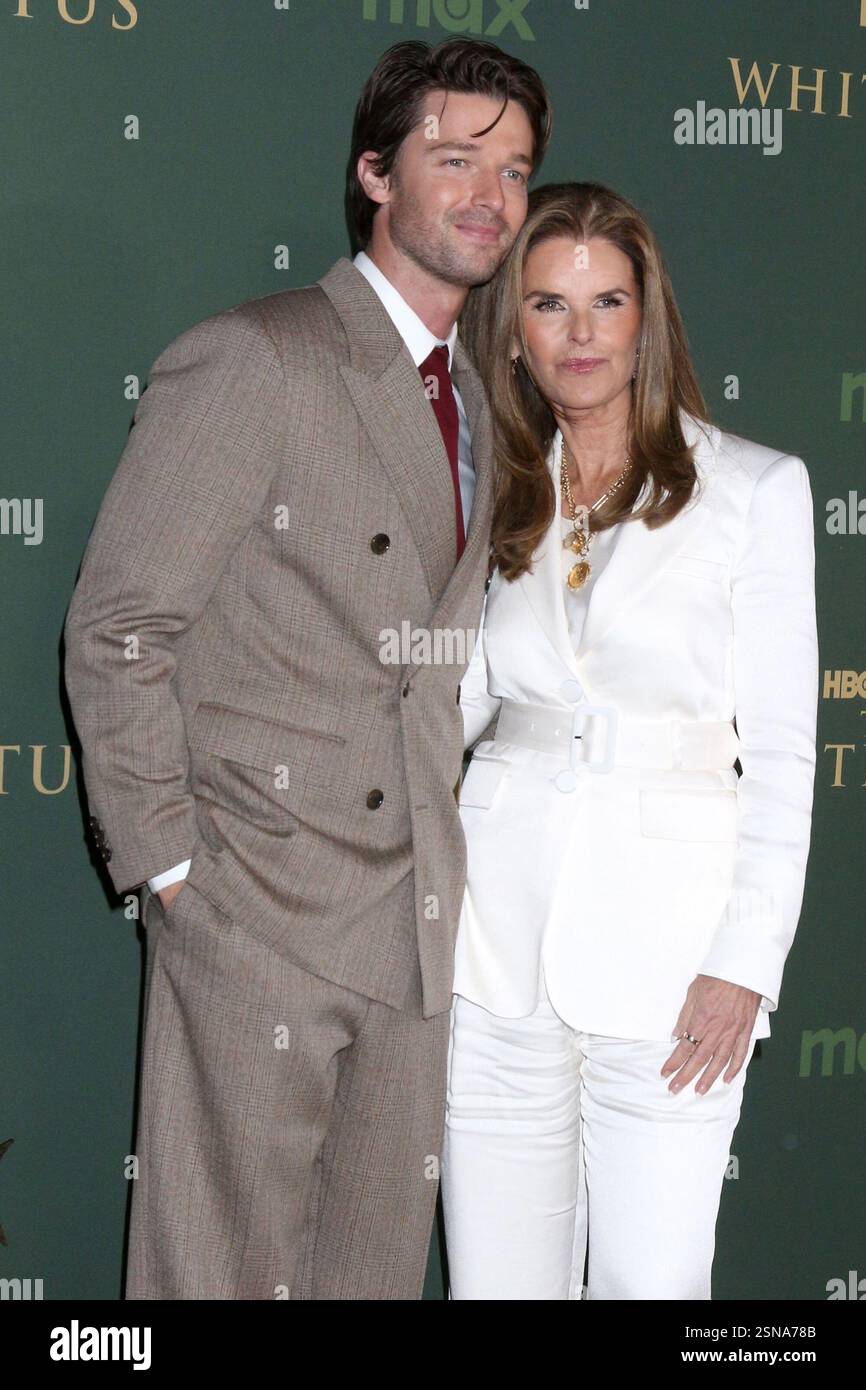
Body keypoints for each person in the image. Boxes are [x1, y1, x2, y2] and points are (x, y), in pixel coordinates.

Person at [62, 38, 552, 1300]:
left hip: (415, 927)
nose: (490, 194)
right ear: (375, 173)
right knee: (213, 1281)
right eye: (456, 160)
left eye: (512, 168)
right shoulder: (258, 357)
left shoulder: (490, 404)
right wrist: (176, 873)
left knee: (370, 1278)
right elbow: (119, 628)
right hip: (259, 909)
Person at [441, 182, 818, 1300]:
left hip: (673, 972)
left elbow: (785, 754)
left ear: (645, 318)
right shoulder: (493, 490)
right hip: (492, 956)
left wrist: (744, 962)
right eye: (549, 305)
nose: (580, 333)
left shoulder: (753, 490)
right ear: (512, 325)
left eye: (605, 302)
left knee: (652, 1286)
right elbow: (447, 710)